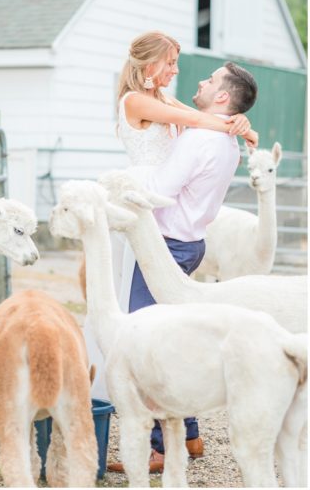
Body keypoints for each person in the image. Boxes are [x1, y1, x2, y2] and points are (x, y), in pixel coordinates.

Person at [107, 59, 259, 474]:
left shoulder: (200, 140)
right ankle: (189, 433)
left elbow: (159, 191)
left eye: (211, 80)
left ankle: (159, 448)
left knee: (149, 344)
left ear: (222, 97)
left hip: (168, 246)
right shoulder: (222, 138)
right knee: (173, 337)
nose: (201, 81)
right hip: (191, 244)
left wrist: (120, 185)